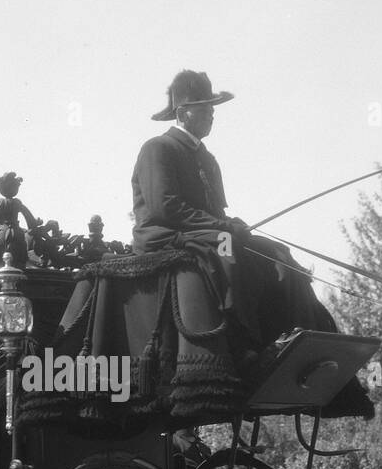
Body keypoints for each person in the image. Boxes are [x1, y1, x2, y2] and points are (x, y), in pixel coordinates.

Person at [131, 69, 322, 371]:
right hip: (165, 236)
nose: (211, 115)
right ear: (183, 112)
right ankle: (243, 347)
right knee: (227, 251)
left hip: (206, 233)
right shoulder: (158, 148)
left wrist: (231, 224)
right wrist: (223, 228)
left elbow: (216, 214)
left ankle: (299, 336)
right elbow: (165, 208)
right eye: (204, 108)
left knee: (276, 254)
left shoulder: (207, 158)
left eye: (212, 108)